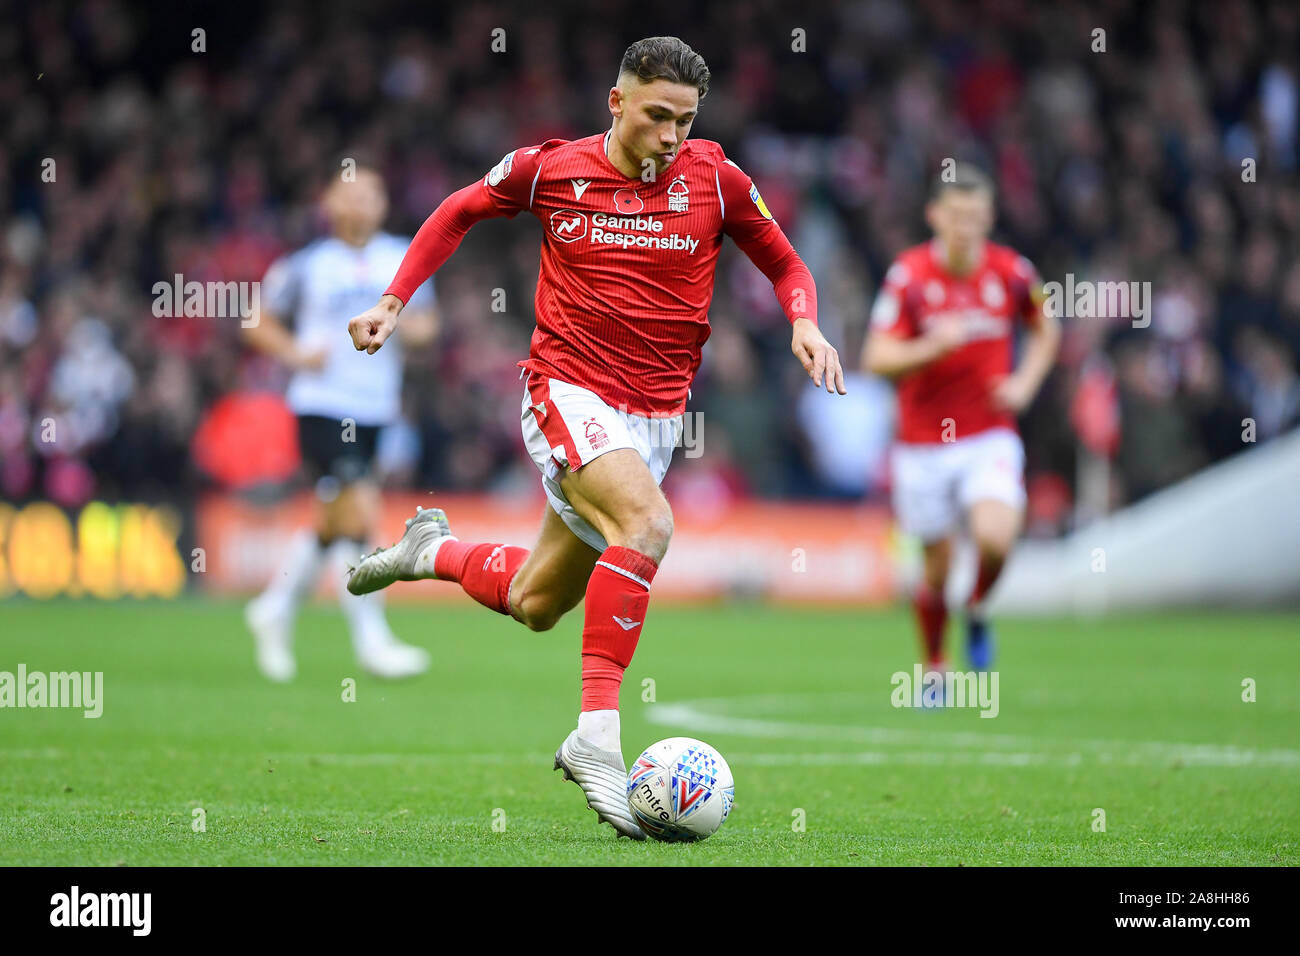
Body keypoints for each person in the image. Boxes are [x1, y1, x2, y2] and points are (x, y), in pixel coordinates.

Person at [344, 37, 845, 838]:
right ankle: (597, 739)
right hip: (566, 390)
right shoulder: (551, 170)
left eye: (685, 120)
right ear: (617, 103)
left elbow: (786, 264)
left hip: (654, 422)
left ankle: (429, 551)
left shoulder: (716, 179)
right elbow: (459, 210)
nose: (671, 136)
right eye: (656, 115)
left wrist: (804, 322)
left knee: (536, 602)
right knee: (646, 525)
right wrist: (393, 300)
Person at [862, 165, 1060, 680]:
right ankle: (935, 666)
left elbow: (1047, 327)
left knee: (995, 538)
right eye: (955, 215)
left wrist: (1025, 383)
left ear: (989, 217)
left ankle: (976, 606)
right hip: (922, 442)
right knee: (937, 568)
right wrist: (932, 346)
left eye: (975, 216)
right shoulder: (908, 276)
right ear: (934, 215)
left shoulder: (1013, 272)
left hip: (987, 433)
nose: (965, 227)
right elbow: (876, 358)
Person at [244, 168, 438, 681]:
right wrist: (296, 354)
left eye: (370, 194)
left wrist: (408, 327)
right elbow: (255, 319)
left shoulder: (403, 257)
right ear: (328, 203)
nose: (359, 204)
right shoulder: (307, 264)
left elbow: (426, 324)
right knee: (359, 511)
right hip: (323, 405)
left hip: (376, 408)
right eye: (349, 194)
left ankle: (274, 609)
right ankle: (372, 640)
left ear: (384, 203)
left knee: (334, 524)